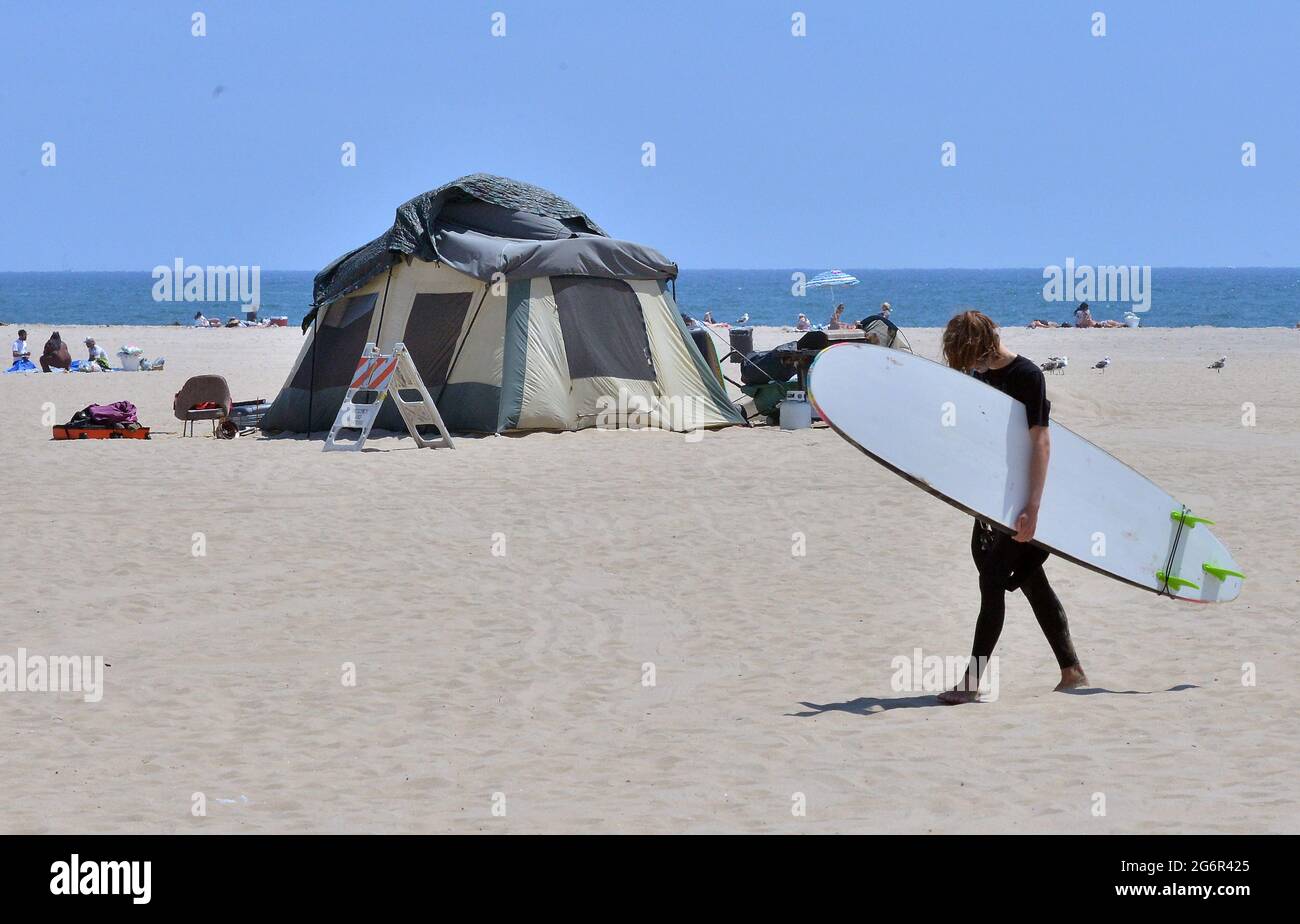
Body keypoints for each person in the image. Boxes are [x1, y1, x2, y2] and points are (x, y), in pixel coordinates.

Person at [937, 310, 1087, 704]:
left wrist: (1032, 508)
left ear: (983, 343)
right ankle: (1072, 671)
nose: (968, 365)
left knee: (992, 583)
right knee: (1034, 584)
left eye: (968, 355)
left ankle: (972, 681)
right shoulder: (980, 374)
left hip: (1029, 500)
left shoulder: (1027, 376)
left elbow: (1040, 441)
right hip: (994, 503)